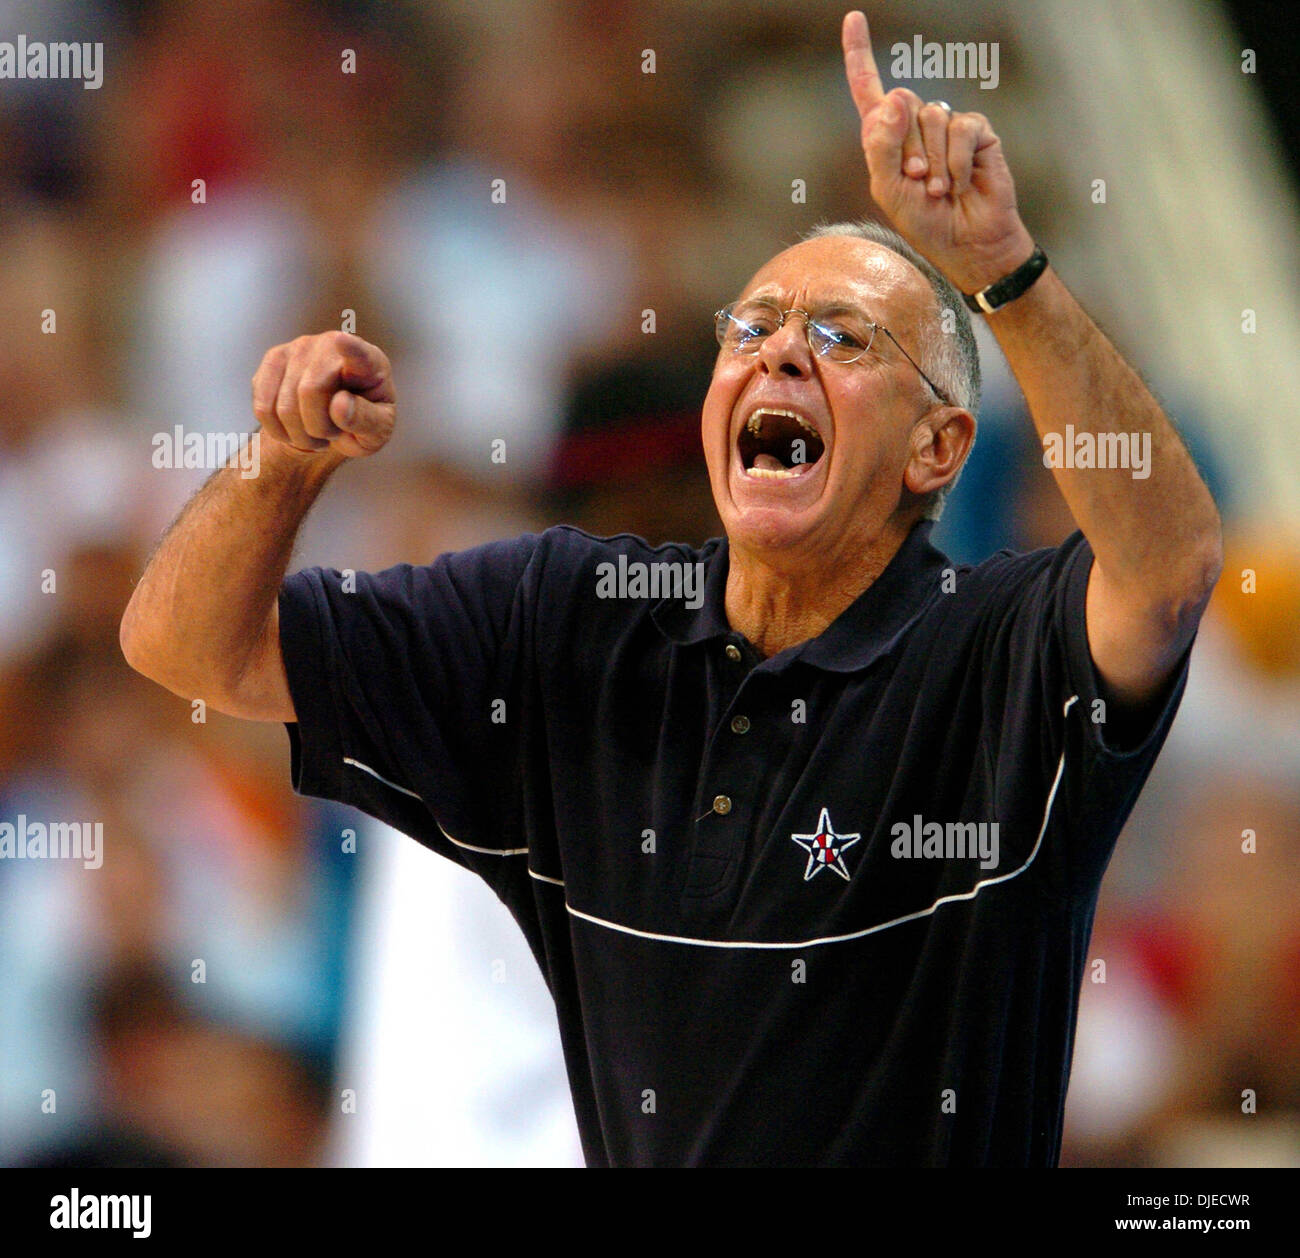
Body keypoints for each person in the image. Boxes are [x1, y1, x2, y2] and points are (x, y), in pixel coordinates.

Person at [120, 13, 1222, 1166]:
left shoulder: (994, 649)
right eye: (750, 328)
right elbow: (189, 650)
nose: (778, 352)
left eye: (841, 339)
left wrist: (1004, 271)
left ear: (938, 450)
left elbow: (1166, 568)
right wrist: (280, 465)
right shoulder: (557, 624)